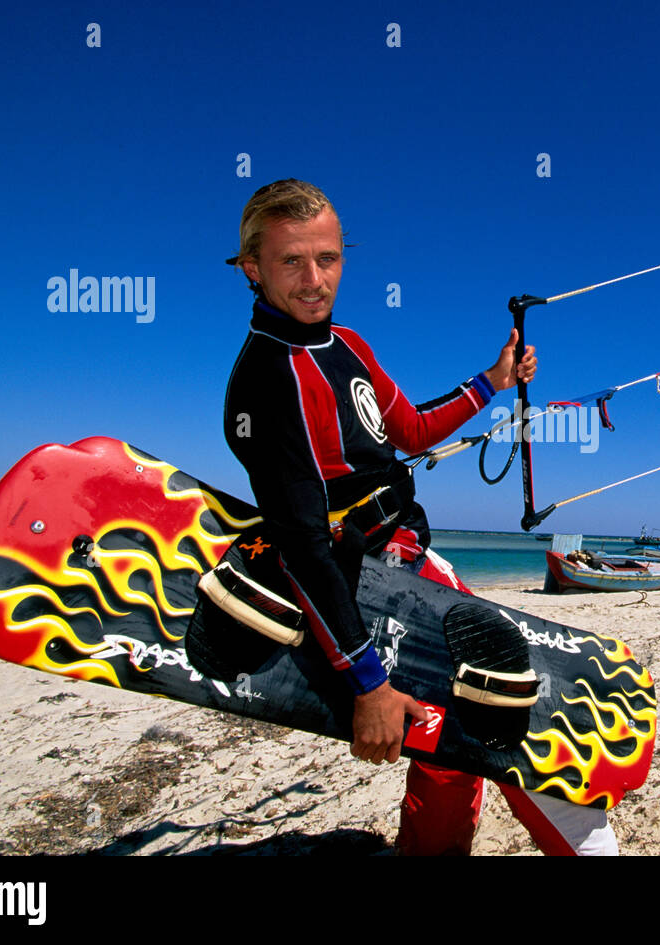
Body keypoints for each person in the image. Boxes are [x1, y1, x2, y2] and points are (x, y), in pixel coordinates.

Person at [223, 179, 616, 855]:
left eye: (329, 258)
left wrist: (492, 381)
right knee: (510, 724)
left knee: (451, 740)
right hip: (373, 588)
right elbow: (300, 545)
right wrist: (368, 682)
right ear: (253, 267)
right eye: (292, 262)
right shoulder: (266, 378)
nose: (315, 281)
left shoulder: (348, 345)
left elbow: (408, 429)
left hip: (416, 564)